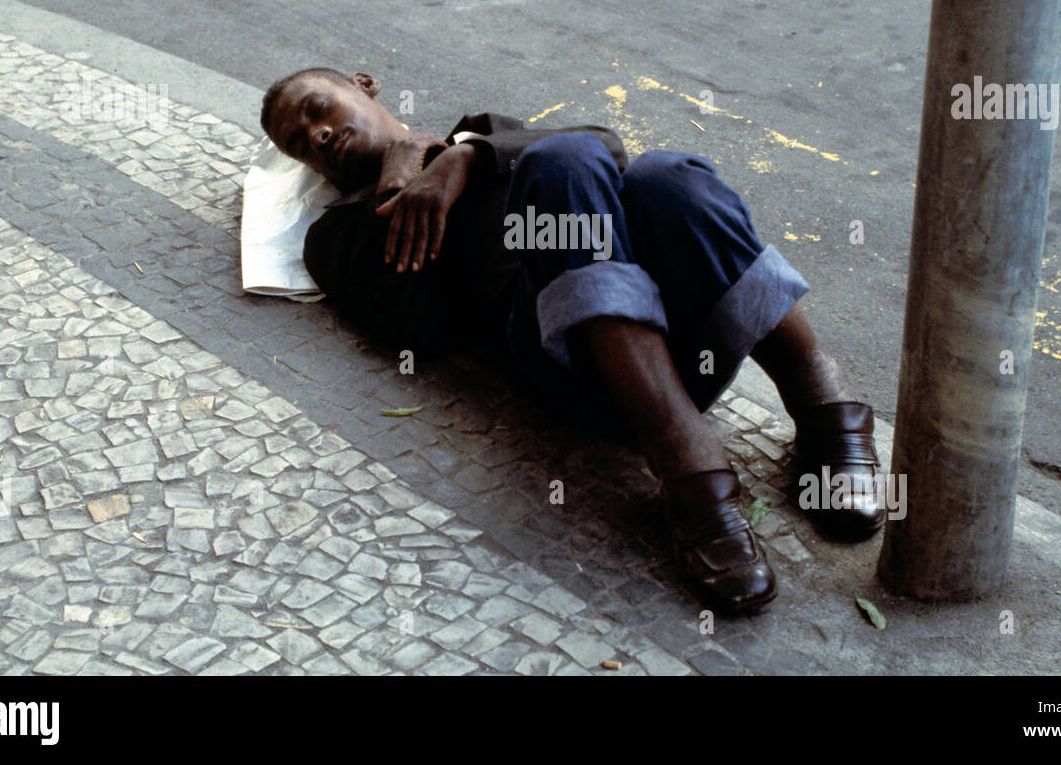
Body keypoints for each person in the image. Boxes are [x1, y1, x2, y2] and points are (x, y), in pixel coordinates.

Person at [259, 66, 884, 615]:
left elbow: (605, 148)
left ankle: (823, 411)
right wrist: (399, 186)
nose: (316, 135)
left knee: (665, 177)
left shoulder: (480, 131)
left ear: (362, 85)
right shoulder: (336, 235)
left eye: (318, 110)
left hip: (688, 335)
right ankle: (691, 476)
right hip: (579, 368)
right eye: (298, 143)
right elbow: (417, 327)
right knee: (560, 166)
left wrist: (464, 158)